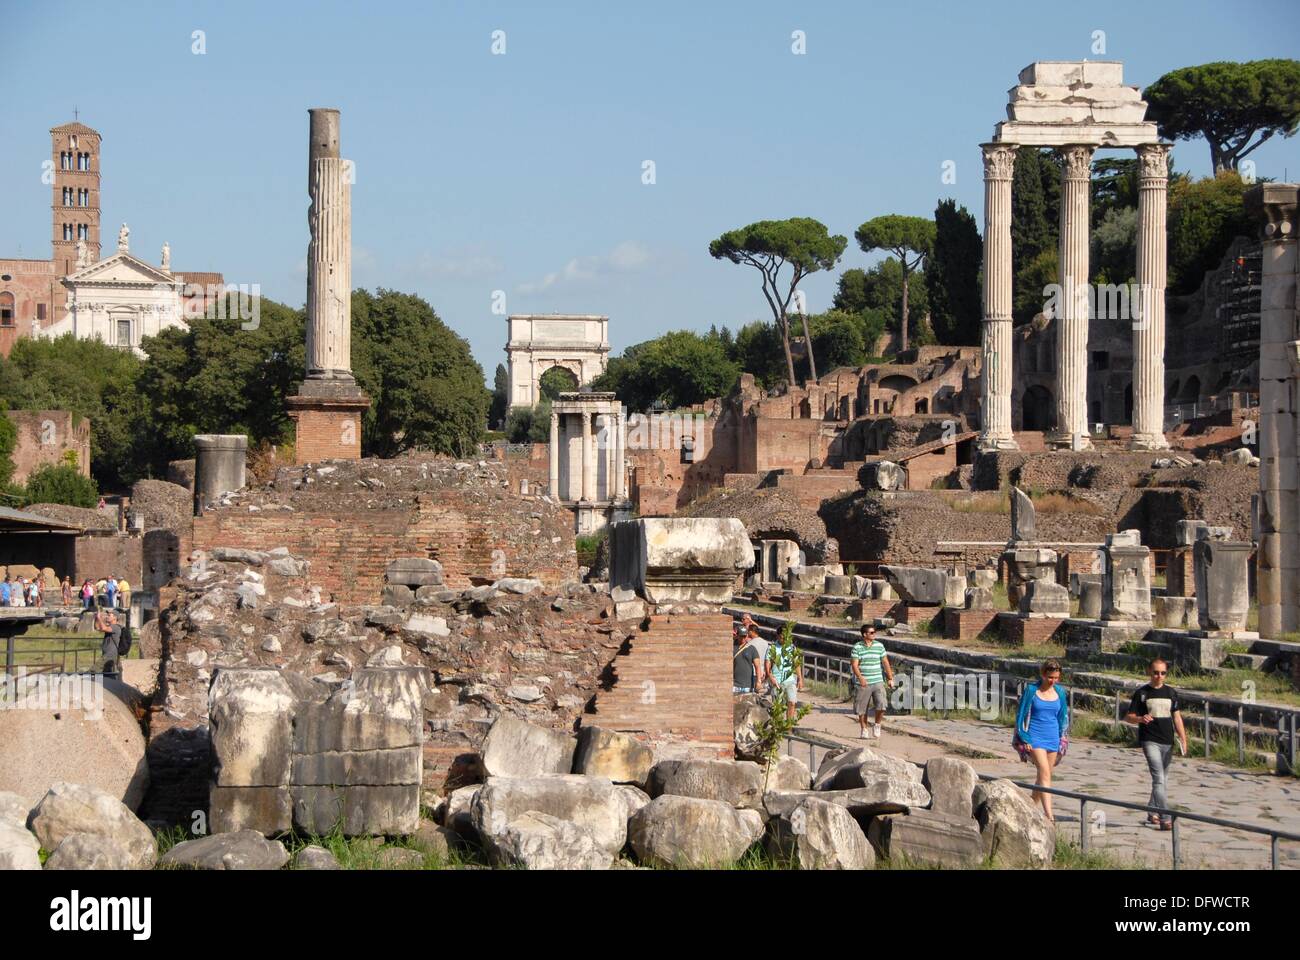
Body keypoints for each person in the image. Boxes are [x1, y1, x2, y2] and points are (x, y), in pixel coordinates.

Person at [1123, 658, 1188, 831]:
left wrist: (1183, 737)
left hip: (1167, 740)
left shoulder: (1171, 693)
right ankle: (1165, 816)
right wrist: (1139, 718)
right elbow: (1128, 717)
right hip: (1149, 739)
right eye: (1156, 672)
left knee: (1163, 780)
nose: (1159, 676)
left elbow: (1177, 717)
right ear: (1149, 672)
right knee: (1158, 778)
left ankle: (1152, 812)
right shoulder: (1142, 693)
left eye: (1163, 673)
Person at [1014, 660, 1070, 823]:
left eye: (1056, 678)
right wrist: (1024, 737)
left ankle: (1030, 805)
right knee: (1044, 772)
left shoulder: (1059, 692)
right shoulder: (1032, 690)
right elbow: (1021, 715)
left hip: (1053, 736)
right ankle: (1049, 816)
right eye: (1050, 677)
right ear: (1043, 674)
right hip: (1035, 736)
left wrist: (1062, 738)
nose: (1053, 681)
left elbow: (1063, 716)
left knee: (1044, 775)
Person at [850, 624, 895, 740]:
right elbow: (854, 665)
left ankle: (877, 725)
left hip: (878, 680)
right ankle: (864, 729)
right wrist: (860, 677)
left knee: (882, 704)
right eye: (871, 632)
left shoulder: (879, 646)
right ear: (865, 634)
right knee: (862, 708)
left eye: (874, 632)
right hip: (864, 682)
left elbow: (885, 662)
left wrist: (890, 678)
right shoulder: (857, 647)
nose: (874, 634)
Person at [765, 630, 804, 720]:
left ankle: (788, 726)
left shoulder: (791, 648)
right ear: (778, 636)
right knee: (778, 706)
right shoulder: (772, 648)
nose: (784, 639)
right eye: (782, 637)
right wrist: (771, 677)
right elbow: (767, 664)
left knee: (792, 702)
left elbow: (796, 663)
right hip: (777, 680)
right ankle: (778, 727)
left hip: (790, 679)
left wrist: (800, 678)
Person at [732, 627, 761, 694]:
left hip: (747, 685)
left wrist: (758, 681)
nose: (743, 638)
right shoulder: (732, 648)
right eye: (741, 636)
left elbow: (757, 666)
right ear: (737, 636)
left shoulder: (752, 649)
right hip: (734, 684)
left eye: (744, 636)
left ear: (747, 636)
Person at [94, 605, 121, 676]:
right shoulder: (109, 627)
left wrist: (100, 618)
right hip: (106, 654)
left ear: (115, 617)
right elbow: (97, 627)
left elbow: (103, 628)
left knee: (93, 671)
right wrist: (97, 618)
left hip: (110, 655)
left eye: (109, 615)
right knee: (107, 674)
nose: (107, 616)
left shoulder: (116, 627)